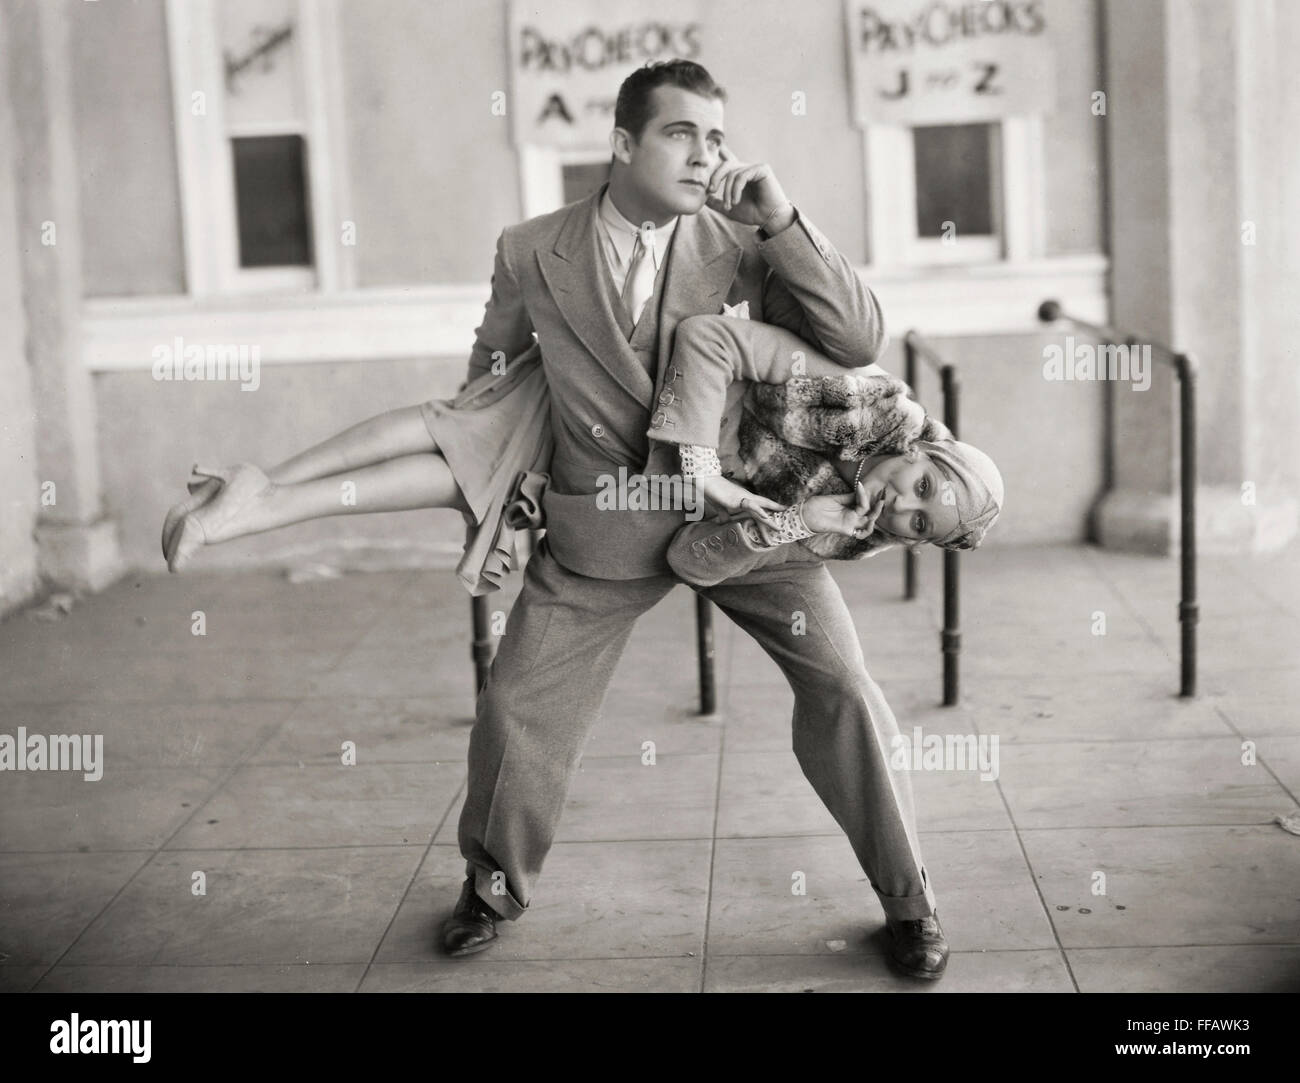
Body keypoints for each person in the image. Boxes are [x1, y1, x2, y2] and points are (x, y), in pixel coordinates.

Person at [163, 59, 955, 980]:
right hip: (603, 525)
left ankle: (909, 900)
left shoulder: (742, 241)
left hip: (748, 520)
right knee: (517, 703)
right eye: (681, 134)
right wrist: (499, 508)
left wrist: (781, 219)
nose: (706, 156)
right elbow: (491, 377)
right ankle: (493, 882)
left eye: (716, 138)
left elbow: (855, 338)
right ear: (621, 143)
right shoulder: (533, 249)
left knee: (847, 689)